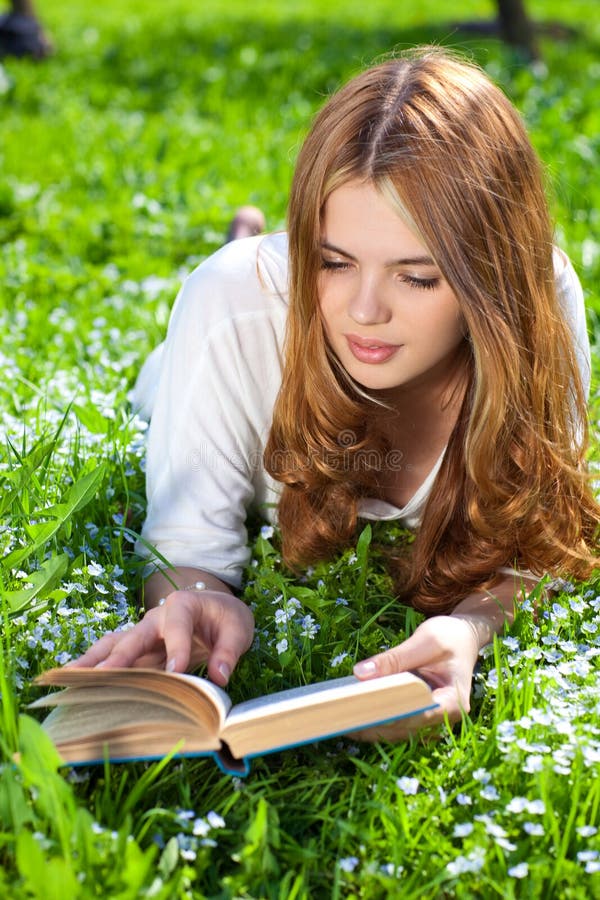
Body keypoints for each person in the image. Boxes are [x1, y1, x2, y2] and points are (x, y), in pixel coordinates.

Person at [70, 47, 599, 742]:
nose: (364, 312)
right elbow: (186, 544)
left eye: (417, 277)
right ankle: (248, 241)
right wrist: (195, 597)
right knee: (218, 290)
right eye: (332, 261)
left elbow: (544, 541)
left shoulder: (539, 291)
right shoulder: (230, 309)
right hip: (211, 342)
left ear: (492, 284)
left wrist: (472, 628)